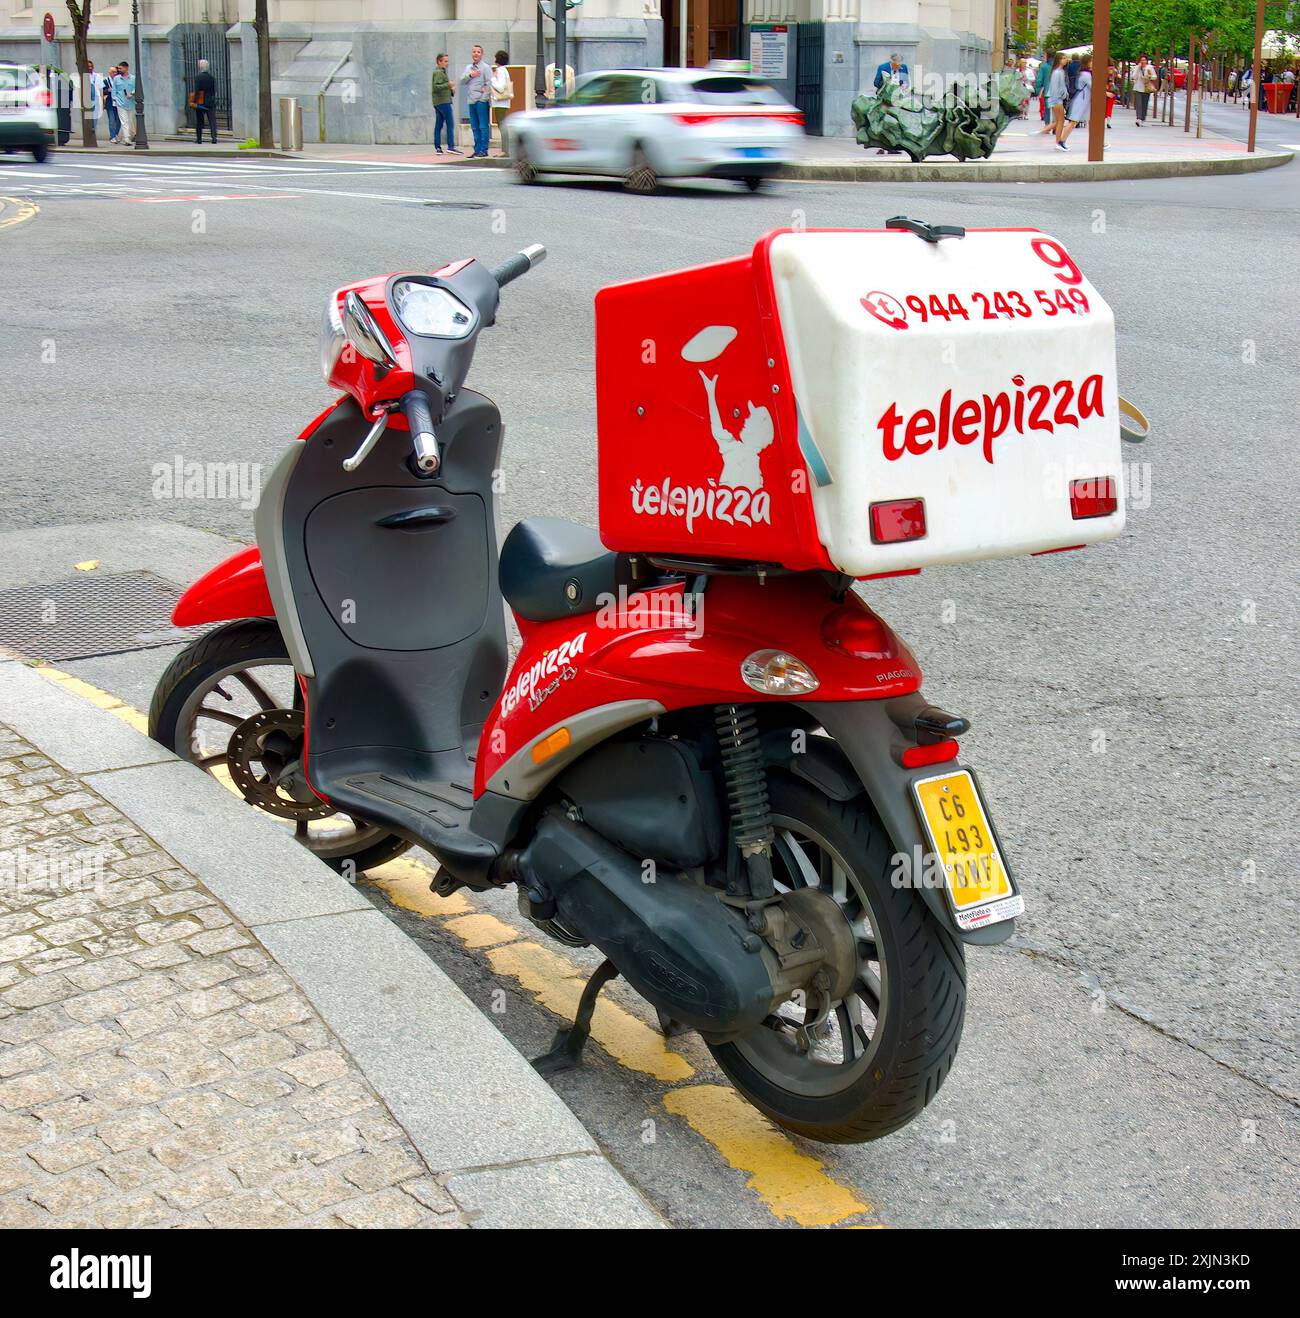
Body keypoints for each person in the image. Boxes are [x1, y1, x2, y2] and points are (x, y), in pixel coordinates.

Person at [871, 52, 909, 154]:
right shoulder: (883, 67)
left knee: (895, 121)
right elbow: (876, 82)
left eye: (900, 64)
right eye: (897, 64)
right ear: (892, 62)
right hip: (884, 99)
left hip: (897, 99)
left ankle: (893, 145)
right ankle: (882, 146)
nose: (899, 66)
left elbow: (905, 82)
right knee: (883, 120)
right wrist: (886, 82)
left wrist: (903, 88)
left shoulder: (904, 68)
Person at [461, 44, 491, 159]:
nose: (476, 54)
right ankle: (477, 149)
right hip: (471, 100)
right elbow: (462, 81)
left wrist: (483, 98)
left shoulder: (486, 67)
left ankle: (484, 149)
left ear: (481, 54)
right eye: (474, 52)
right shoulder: (468, 67)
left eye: (478, 52)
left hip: (481, 101)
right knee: (474, 126)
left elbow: (489, 84)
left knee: (483, 126)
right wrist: (470, 75)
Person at [1059, 54, 1091, 149]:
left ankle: (1062, 141)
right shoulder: (1086, 74)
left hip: (1082, 100)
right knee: (1073, 122)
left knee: (1075, 122)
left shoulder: (1083, 73)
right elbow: (1093, 86)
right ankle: (1061, 141)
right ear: (1087, 62)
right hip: (1081, 100)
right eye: (1091, 61)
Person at [431, 52, 458, 155]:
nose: (447, 63)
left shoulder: (441, 72)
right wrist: (448, 84)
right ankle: (451, 146)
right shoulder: (438, 72)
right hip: (443, 102)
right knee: (450, 123)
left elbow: (439, 87)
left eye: (447, 61)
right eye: (445, 61)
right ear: (439, 62)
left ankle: (438, 147)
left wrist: (451, 90)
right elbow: (436, 87)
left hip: (439, 102)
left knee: (439, 124)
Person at [490, 50, 512, 157]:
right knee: (502, 124)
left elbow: (500, 86)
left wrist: (493, 78)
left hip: (500, 102)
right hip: (503, 102)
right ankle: (505, 149)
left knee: (502, 125)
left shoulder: (500, 71)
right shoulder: (505, 70)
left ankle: (505, 150)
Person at [193, 58, 217, 145]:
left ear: (200, 67)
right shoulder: (211, 78)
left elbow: (197, 91)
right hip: (210, 101)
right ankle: (214, 138)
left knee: (199, 121)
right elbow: (214, 91)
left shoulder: (198, 77)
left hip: (201, 102)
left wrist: (195, 101)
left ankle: (199, 139)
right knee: (212, 121)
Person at [1046, 54, 1068, 147]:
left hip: (1058, 99)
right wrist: (1061, 95)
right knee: (1060, 121)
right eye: (1063, 58)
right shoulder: (1057, 72)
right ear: (1058, 60)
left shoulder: (1060, 71)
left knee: (1059, 121)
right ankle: (1058, 142)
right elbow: (1055, 87)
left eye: (1065, 58)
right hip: (1057, 99)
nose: (1065, 60)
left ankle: (1058, 141)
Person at [112, 62, 135, 145]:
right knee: (124, 121)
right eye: (118, 68)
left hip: (131, 103)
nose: (119, 70)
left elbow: (137, 88)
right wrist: (115, 99)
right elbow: (114, 90)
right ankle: (127, 139)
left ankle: (118, 138)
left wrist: (132, 93)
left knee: (128, 122)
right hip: (120, 103)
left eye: (120, 68)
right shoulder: (116, 78)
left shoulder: (133, 78)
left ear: (126, 68)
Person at [1132, 54, 1156, 125]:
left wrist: (1149, 76)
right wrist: (1138, 68)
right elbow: (1133, 77)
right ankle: (1138, 118)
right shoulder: (1137, 68)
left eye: (1144, 60)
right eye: (1142, 60)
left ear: (1147, 61)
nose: (1143, 61)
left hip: (1146, 88)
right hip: (1137, 88)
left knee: (1144, 104)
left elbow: (1155, 76)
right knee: (1138, 104)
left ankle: (1143, 118)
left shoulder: (1150, 67)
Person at [1034, 51, 1054, 130]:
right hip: (1057, 91)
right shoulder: (1058, 66)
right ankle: (1055, 126)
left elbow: (1039, 80)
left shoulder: (1044, 66)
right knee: (1056, 109)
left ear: (1047, 56)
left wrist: (1038, 90)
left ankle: (1047, 126)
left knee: (1047, 109)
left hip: (1047, 90)